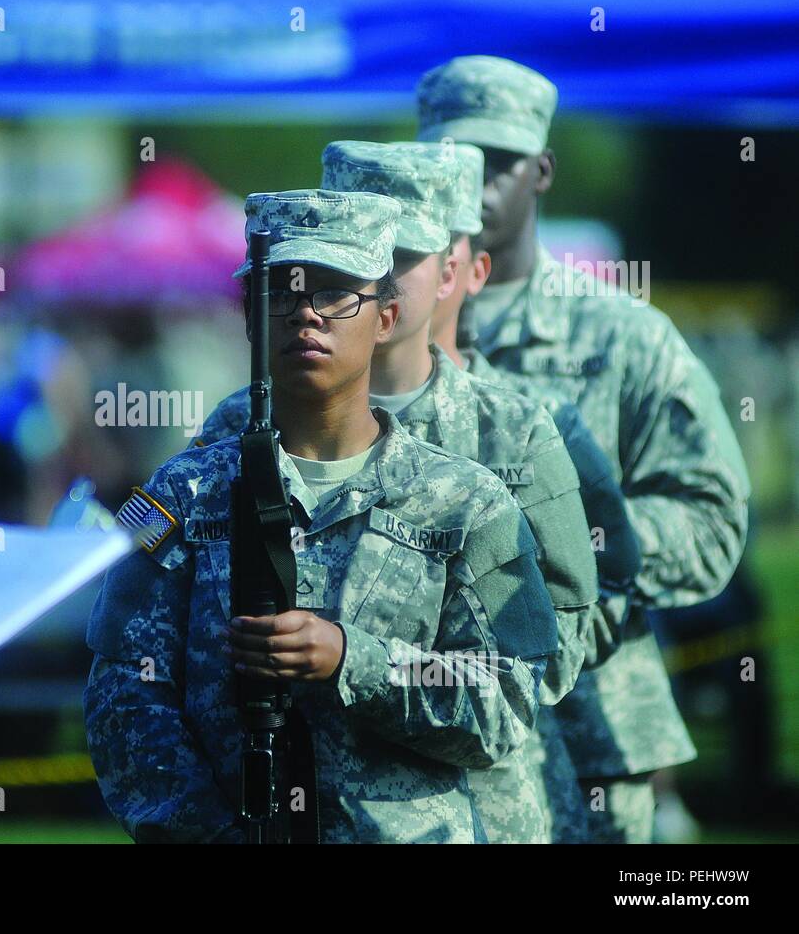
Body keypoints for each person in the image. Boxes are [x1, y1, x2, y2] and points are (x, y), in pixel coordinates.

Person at [85, 189, 558, 843]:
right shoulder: (184, 493)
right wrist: (208, 833)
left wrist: (351, 660)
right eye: (281, 292)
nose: (306, 313)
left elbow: (507, 697)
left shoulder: (467, 502)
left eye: (336, 293)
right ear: (251, 317)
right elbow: (124, 696)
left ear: (387, 315)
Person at [194, 142, 598, 843]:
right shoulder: (234, 431)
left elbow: (549, 643)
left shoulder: (509, 432)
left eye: (404, 256)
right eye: (290, 287)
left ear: (453, 270)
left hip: (462, 801)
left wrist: (369, 661)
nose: (309, 309)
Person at [417, 54, 751, 842]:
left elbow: (713, 516)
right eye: (453, 159)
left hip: (587, 732)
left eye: (499, 160)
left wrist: (586, 542)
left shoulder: (624, 336)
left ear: (543, 171)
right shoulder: (373, 331)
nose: (476, 181)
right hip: (418, 736)